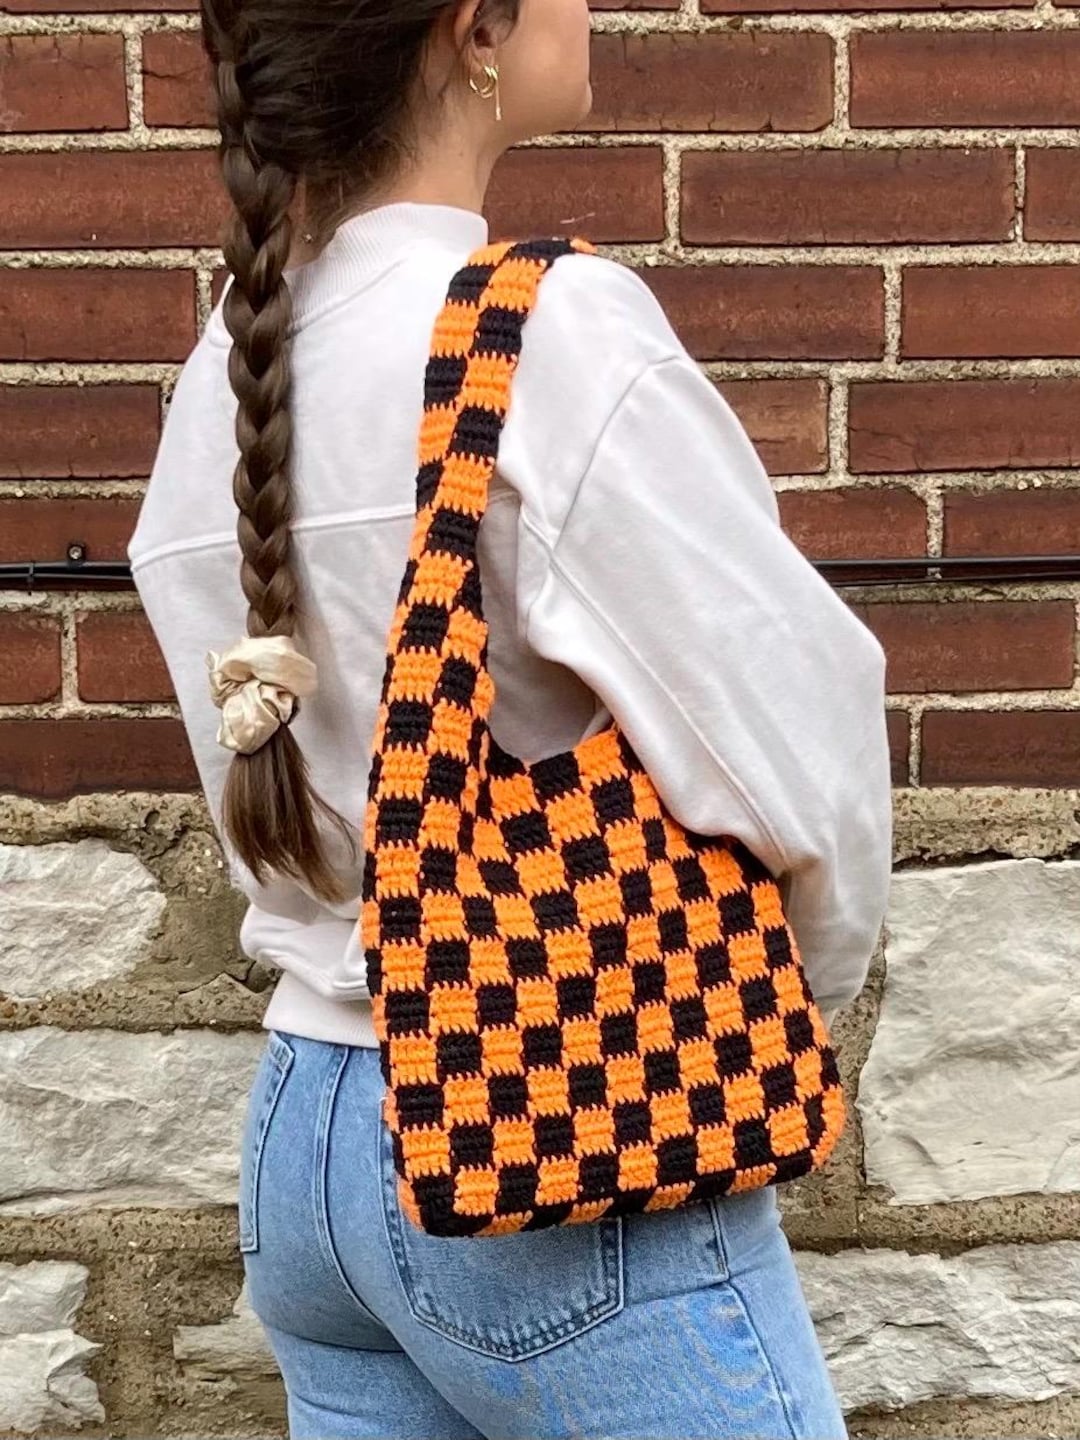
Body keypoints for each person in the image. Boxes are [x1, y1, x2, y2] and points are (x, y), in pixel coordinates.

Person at [128, 0, 892, 1433]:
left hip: (310, 1137)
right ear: (475, 26)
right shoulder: (543, 331)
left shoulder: (226, 377)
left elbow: (262, 783)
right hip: (555, 1132)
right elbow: (803, 738)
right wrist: (771, 1013)